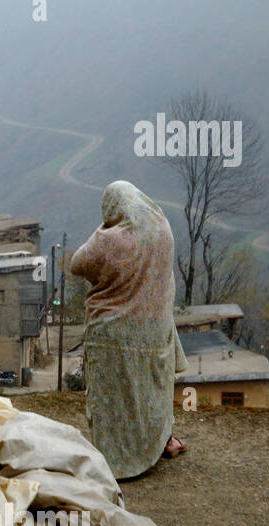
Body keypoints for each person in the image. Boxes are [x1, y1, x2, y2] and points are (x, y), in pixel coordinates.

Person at [70, 181, 188, 479]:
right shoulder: (162, 231)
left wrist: (104, 228)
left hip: (112, 333)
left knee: (114, 397)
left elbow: (76, 264)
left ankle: (115, 458)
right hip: (154, 329)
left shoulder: (109, 240)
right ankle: (162, 441)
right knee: (154, 390)